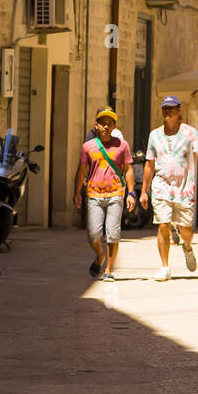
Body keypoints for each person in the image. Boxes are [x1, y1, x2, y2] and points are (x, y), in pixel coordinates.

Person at [140, 96, 198, 281]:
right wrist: (144, 190)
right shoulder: (155, 135)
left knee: (186, 230)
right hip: (161, 186)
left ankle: (187, 247)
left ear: (179, 110)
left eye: (171, 108)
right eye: (165, 108)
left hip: (185, 190)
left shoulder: (190, 133)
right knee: (163, 225)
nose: (167, 112)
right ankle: (165, 267)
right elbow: (149, 164)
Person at [73, 107, 136, 281]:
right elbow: (81, 171)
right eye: (103, 123)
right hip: (94, 194)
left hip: (116, 193)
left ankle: (108, 269)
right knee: (93, 234)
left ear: (115, 126)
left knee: (113, 233)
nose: (106, 127)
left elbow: (129, 169)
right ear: (96, 125)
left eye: (110, 124)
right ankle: (99, 255)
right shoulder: (88, 147)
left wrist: (131, 193)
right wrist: (77, 192)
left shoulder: (122, 145)